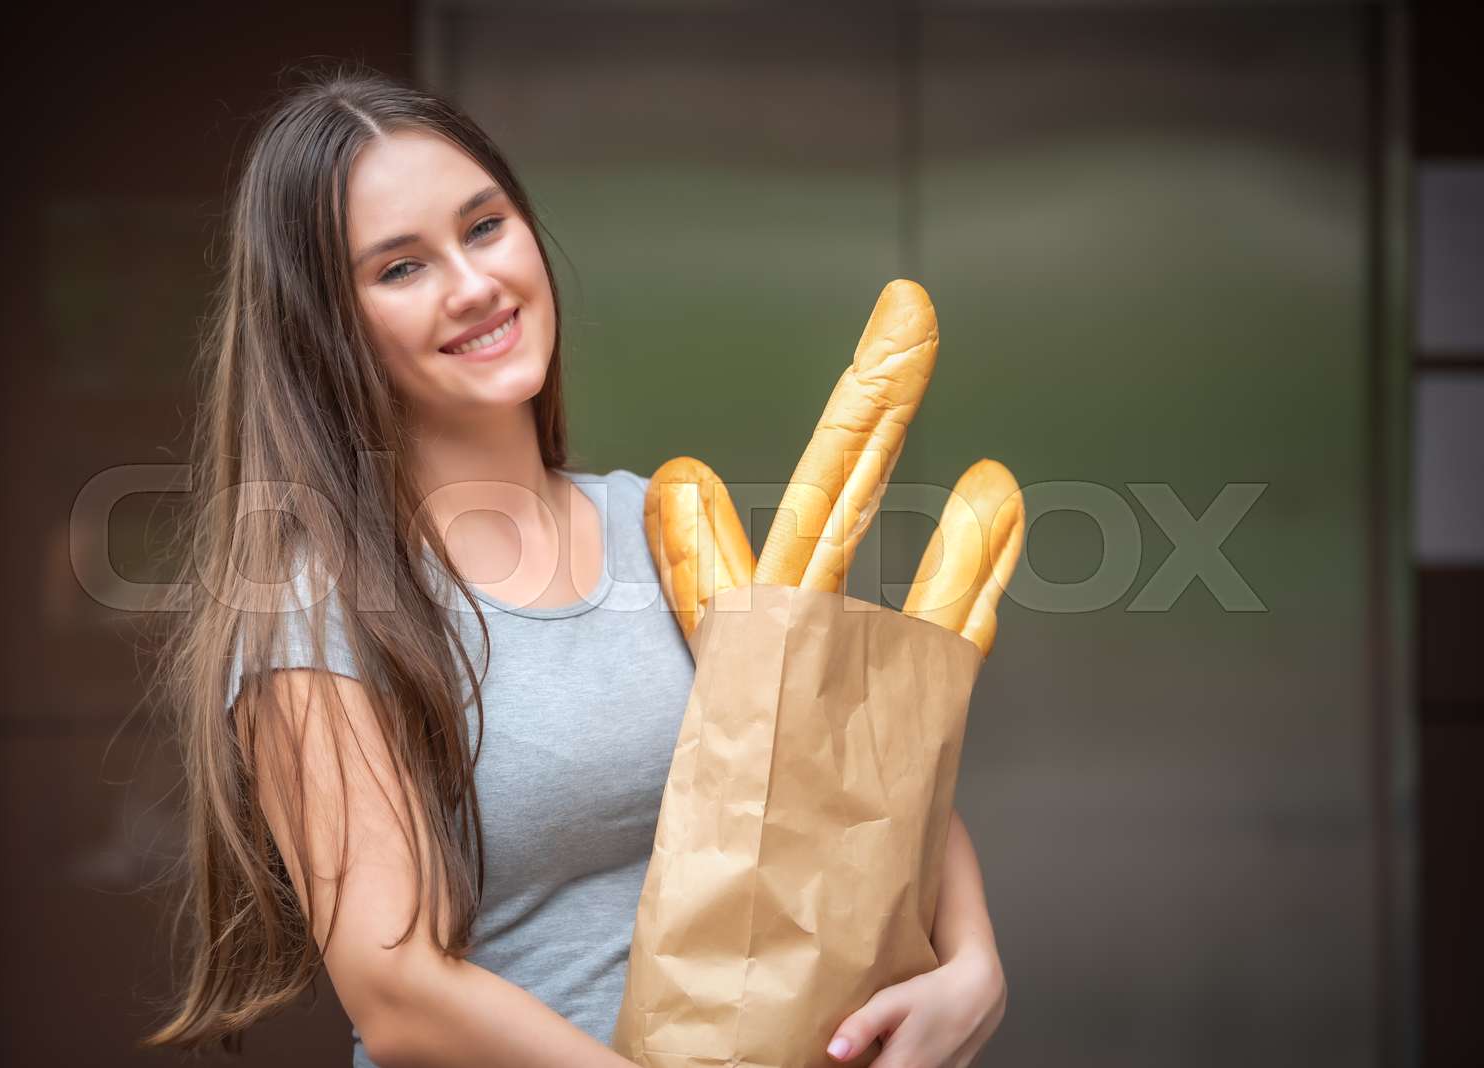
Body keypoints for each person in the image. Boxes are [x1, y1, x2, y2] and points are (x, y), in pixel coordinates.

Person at [141, 64, 1006, 1068]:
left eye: (483, 226)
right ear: (326, 328)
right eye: (400, 268)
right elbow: (398, 993)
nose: (474, 286)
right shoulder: (315, 602)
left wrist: (973, 967)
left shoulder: (661, 522)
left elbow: (860, 781)